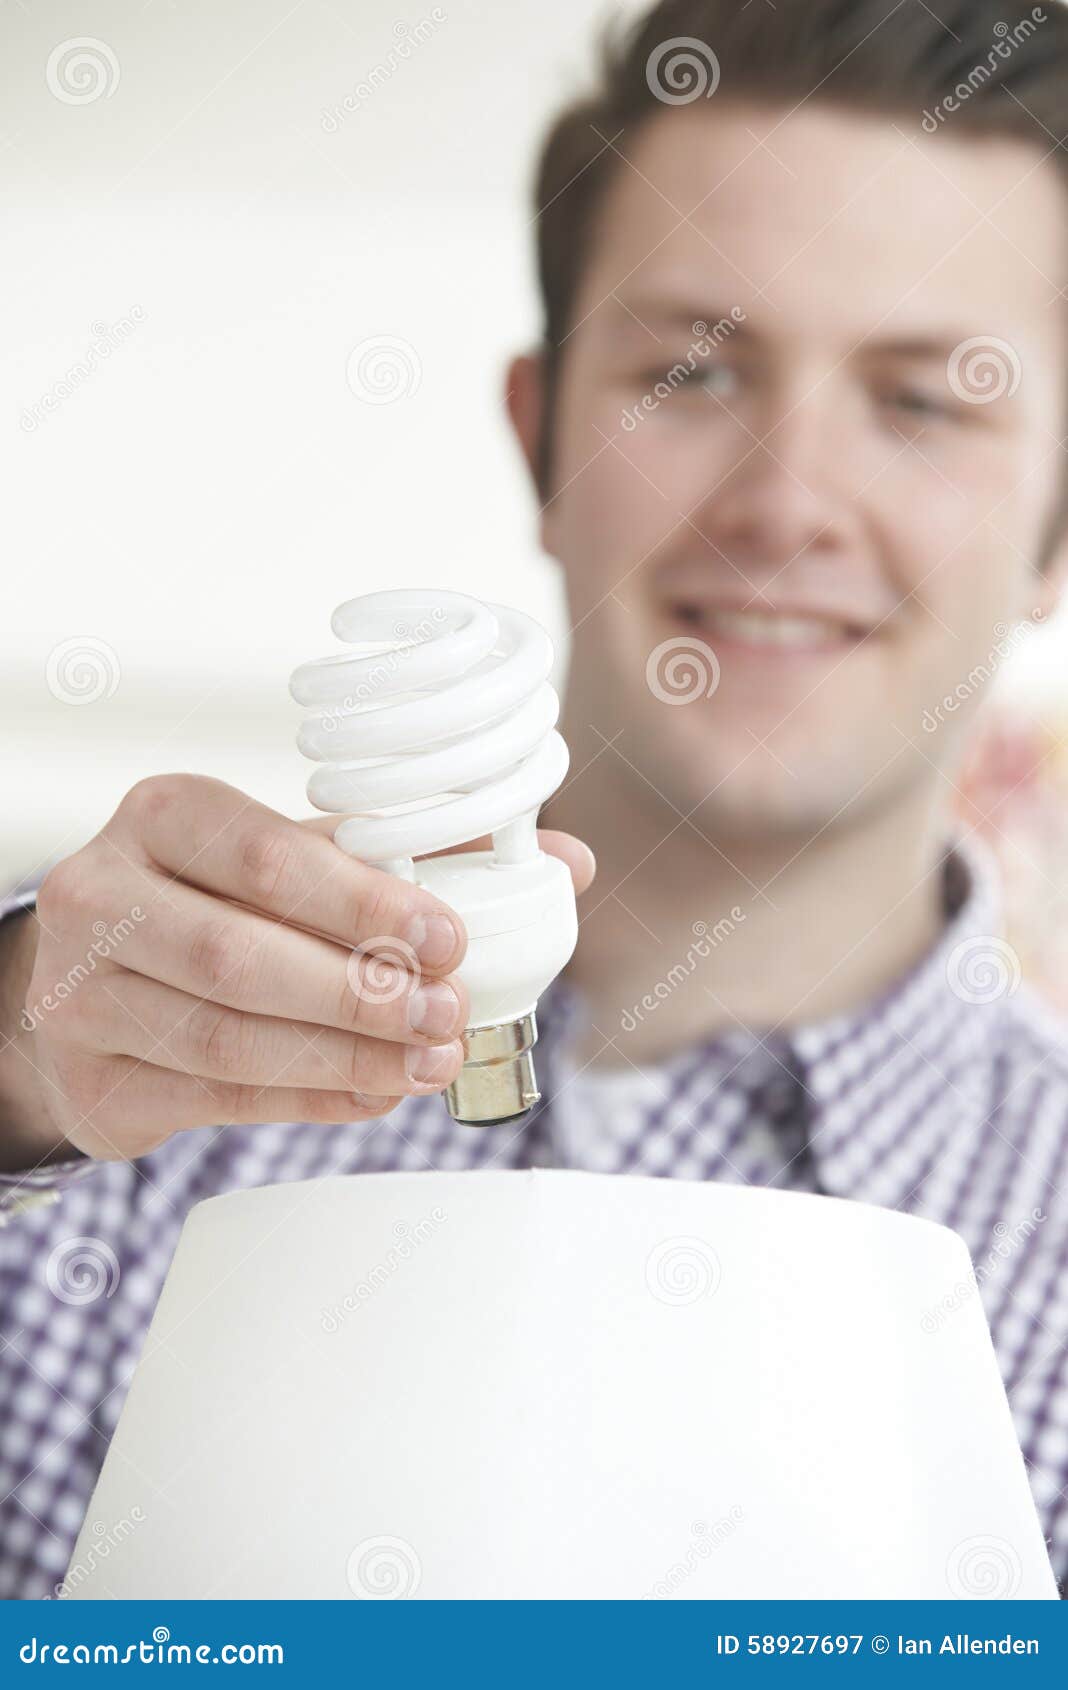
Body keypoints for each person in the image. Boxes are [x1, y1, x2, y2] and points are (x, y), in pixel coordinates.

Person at [2, 0, 1067, 1599]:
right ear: (538, 433)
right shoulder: (103, 1074)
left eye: (923, 399)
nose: (786, 503)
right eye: (693, 370)